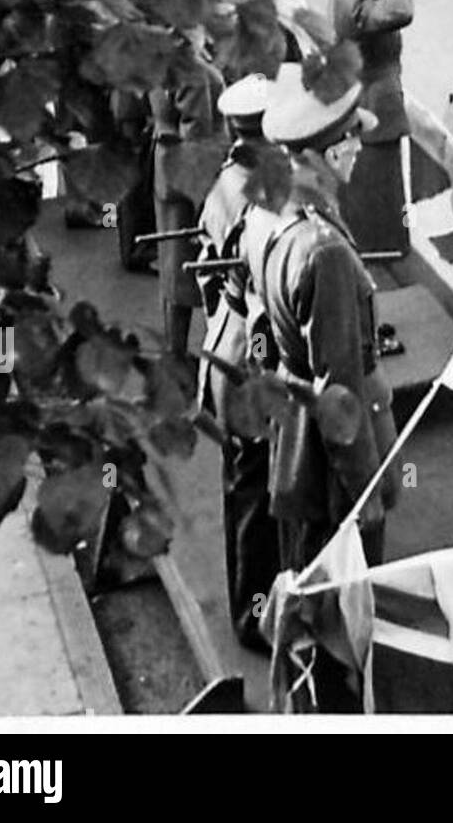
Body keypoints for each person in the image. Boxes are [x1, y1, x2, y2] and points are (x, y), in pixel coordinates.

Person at [245, 70, 394, 709]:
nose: (359, 148)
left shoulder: (278, 219)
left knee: (311, 615)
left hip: (295, 456)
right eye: (347, 144)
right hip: (333, 475)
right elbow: (340, 398)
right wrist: (366, 500)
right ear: (318, 155)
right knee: (338, 636)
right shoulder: (325, 250)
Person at [196, 73, 281, 652]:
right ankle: (253, 615)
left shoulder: (225, 180)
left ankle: (257, 600)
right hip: (249, 352)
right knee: (254, 488)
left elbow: (206, 272)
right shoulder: (259, 191)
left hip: (224, 337)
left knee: (245, 483)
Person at [325, 0, 413, 260]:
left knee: (382, 208)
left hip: (375, 114)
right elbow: (400, 12)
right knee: (376, 217)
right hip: (372, 118)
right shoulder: (350, 2)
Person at [149, 28, 227, 363]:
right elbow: (197, 137)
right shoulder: (192, 69)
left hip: (166, 167)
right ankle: (218, 350)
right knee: (207, 266)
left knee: (172, 266)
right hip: (192, 177)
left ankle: (174, 351)